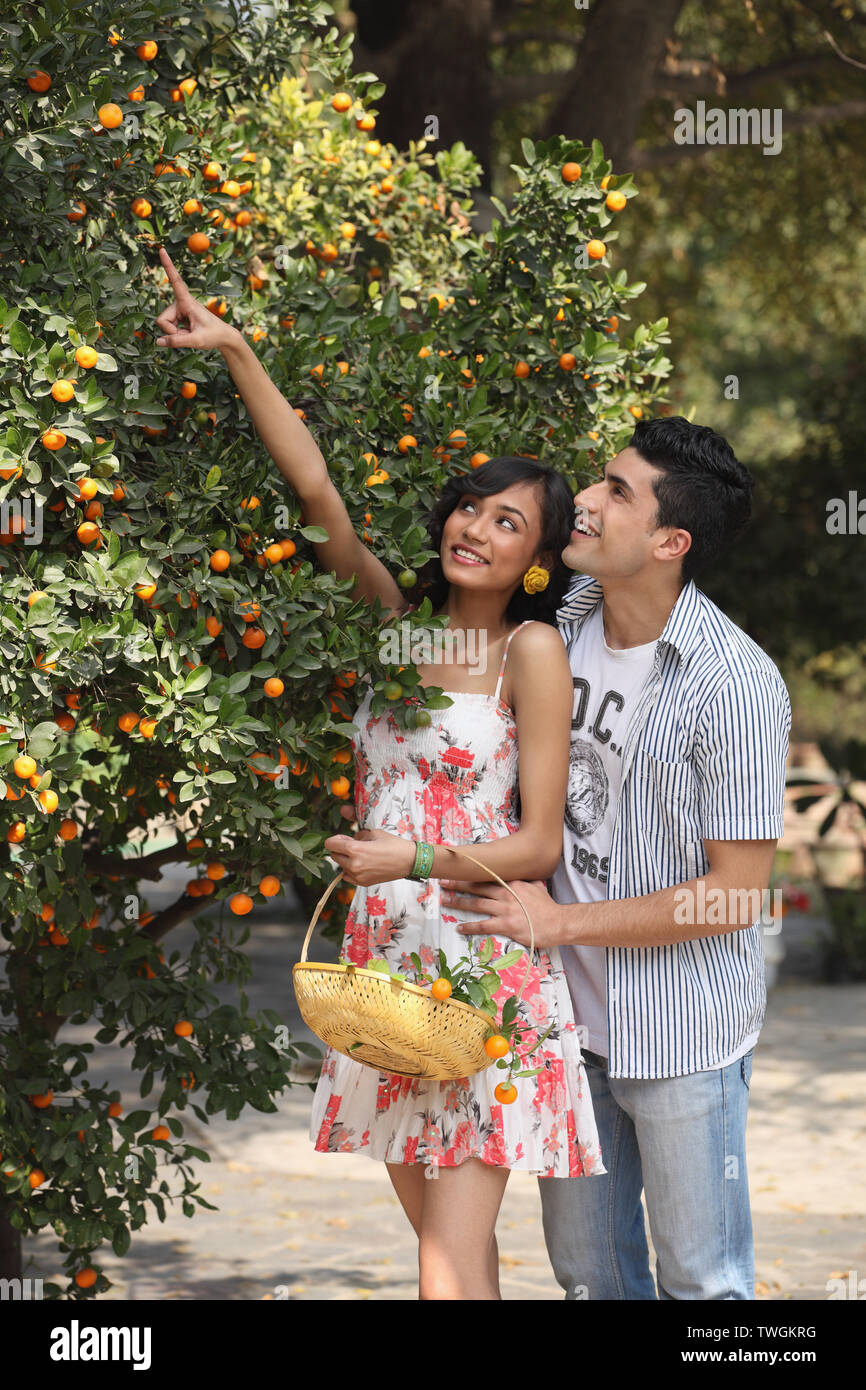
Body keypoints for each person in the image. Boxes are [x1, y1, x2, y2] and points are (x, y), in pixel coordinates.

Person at [153, 246, 604, 1302]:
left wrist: (411, 851)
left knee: (443, 1269)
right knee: (458, 1255)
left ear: (535, 560)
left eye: (507, 522)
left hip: (480, 968)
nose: (474, 528)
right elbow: (314, 489)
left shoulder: (528, 654)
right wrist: (234, 348)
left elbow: (539, 843)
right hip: (382, 966)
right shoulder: (395, 634)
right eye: (469, 506)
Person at [442, 416, 792, 1300]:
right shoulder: (567, 614)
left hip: (682, 1036)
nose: (586, 503)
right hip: (567, 1024)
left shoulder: (736, 687)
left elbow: (738, 896)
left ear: (671, 541)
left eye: (616, 492)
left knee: (702, 1286)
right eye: (600, 481)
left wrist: (557, 921)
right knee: (593, 1281)